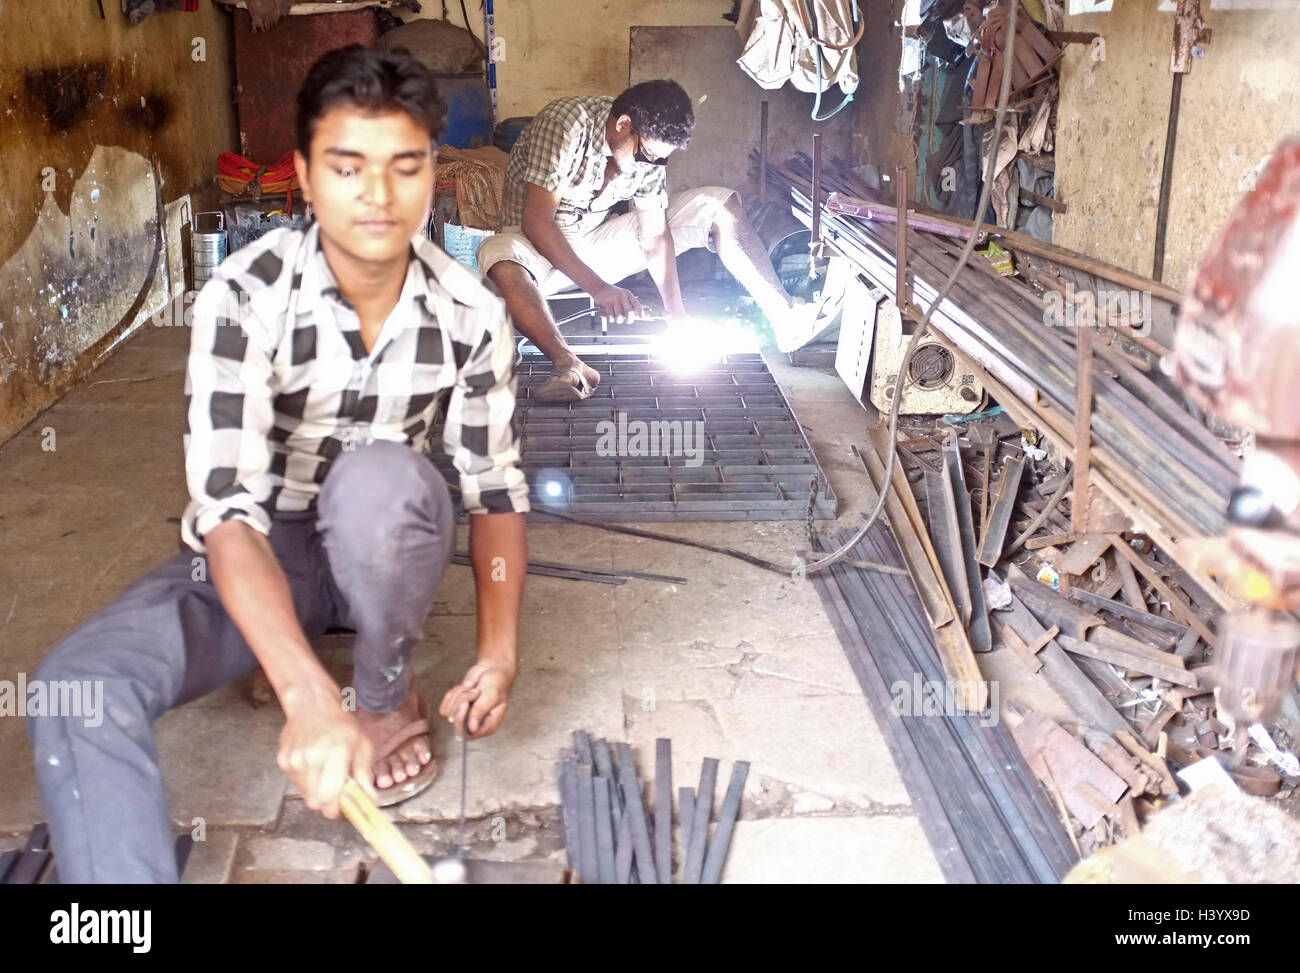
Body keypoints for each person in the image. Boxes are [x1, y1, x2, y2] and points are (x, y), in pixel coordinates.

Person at [26, 44, 529, 883]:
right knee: (77, 684)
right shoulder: (242, 295)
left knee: (383, 482)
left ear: (435, 174)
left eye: (405, 167)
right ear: (302, 175)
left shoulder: (474, 312)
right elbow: (225, 512)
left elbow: (495, 490)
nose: (377, 197)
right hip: (265, 550)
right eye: (347, 167)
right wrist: (303, 695)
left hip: (385, 545)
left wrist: (501, 648)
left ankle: (382, 695)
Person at [477, 80, 836, 403]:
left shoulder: (649, 159)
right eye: (647, 154)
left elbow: (655, 236)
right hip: (534, 247)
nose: (652, 164)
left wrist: (677, 316)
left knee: (717, 204)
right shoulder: (567, 123)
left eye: (661, 158)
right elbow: (536, 221)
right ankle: (567, 363)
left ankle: (787, 319)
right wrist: (600, 289)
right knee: (498, 253)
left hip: (592, 241)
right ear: (623, 126)